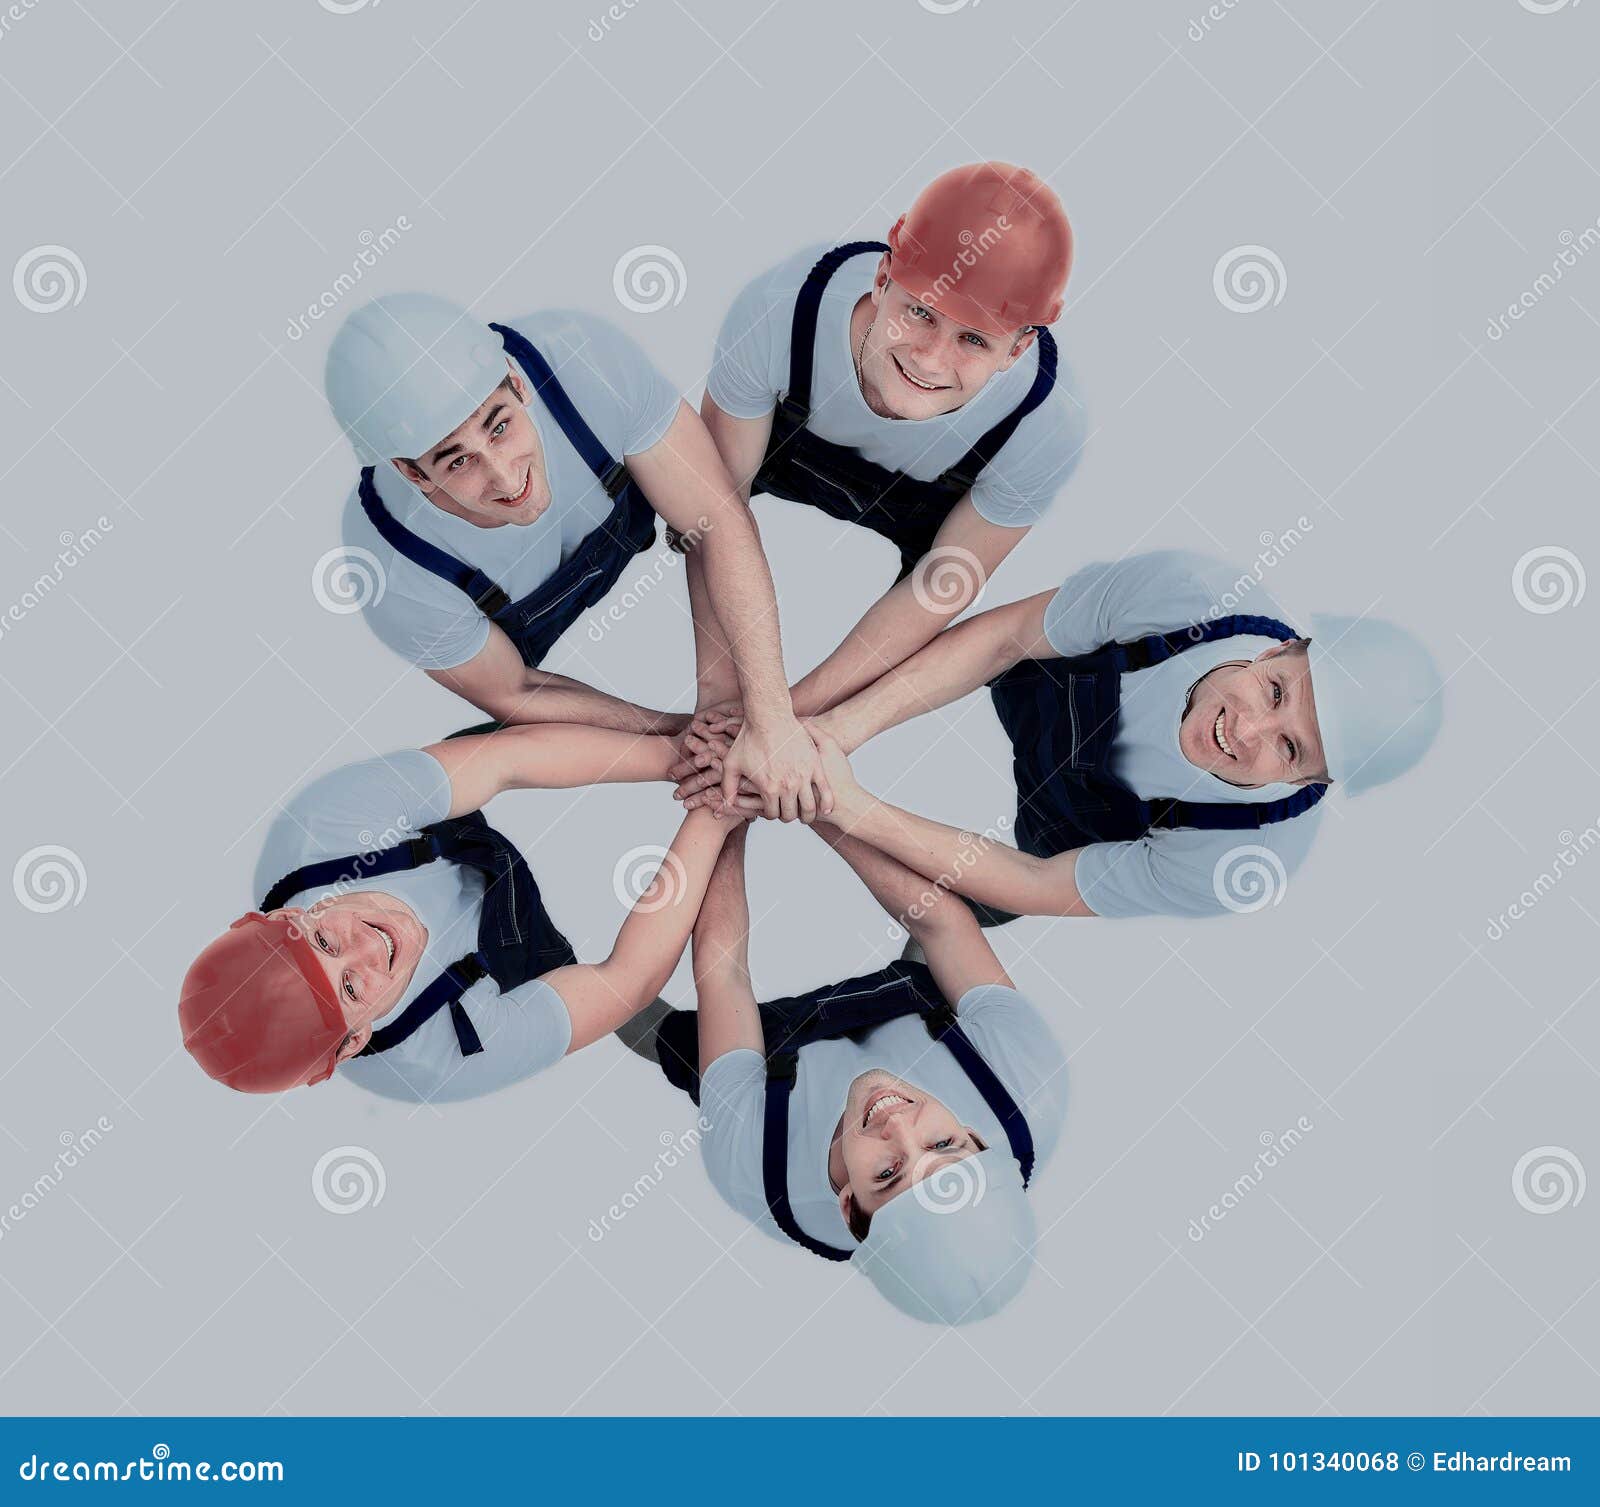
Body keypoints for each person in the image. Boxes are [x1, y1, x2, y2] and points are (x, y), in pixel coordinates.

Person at [679, 550, 1445, 920]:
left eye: (1290, 748)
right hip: (1036, 682)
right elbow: (1002, 638)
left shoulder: (1243, 862)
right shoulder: (1197, 595)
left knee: (954, 916)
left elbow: (1042, 884)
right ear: (1281, 648)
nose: (1247, 728)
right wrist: (817, 732)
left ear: (1311, 785)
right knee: (933, 610)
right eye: (1276, 691)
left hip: (1057, 834)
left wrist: (837, 801)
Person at [325, 293, 828, 821]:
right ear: (413, 474)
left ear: (518, 383)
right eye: (458, 462)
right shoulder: (392, 566)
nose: (503, 475)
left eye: (499, 427)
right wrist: (687, 733)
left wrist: (768, 716)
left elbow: (714, 520)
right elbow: (514, 690)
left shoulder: (585, 361)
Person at [695, 161, 1085, 721]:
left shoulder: (1045, 426)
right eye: (921, 313)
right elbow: (713, 511)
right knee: (661, 472)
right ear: (882, 280)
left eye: (973, 339)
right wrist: (719, 699)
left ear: (1017, 351)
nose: (930, 359)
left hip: (926, 517)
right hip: (767, 462)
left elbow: (940, 588)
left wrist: (783, 720)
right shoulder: (780, 313)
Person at [639, 821, 1068, 1324]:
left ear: (848, 1207)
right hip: (913, 1011)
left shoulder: (755, 1169)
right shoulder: (1028, 1087)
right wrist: (811, 795)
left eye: (887, 1174)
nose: (898, 1127)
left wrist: (725, 813)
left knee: (628, 1013)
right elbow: (942, 925)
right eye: (942, 1146)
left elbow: (723, 971)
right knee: (970, 900)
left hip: (777, 1060)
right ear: (976, 1137)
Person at [178, 723, 744, 1100]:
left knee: (515, 720)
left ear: (285, 919)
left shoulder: (319, 831)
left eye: (325, 941)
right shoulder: (436, 1059)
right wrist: (719, 805)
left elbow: (508, 760)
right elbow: (626, 977)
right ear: (353, 1042)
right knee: (644, 1024)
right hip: (507, 960)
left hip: (443, 834)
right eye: (352, 989)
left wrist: (689, 757)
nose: (369, 945)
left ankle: (690, 723)